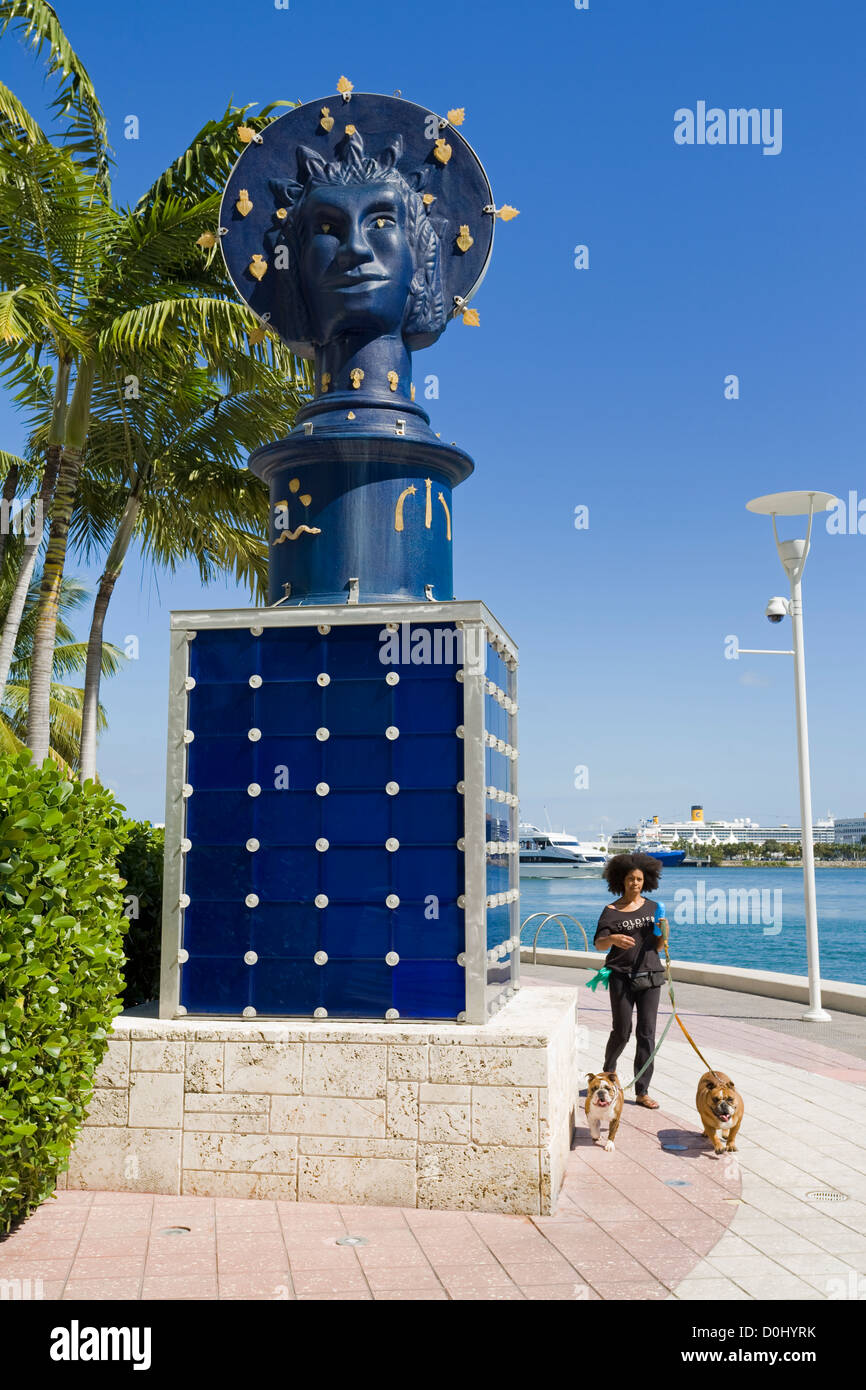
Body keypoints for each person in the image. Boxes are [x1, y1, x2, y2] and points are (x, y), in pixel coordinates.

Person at [594, 852, 668, 1108]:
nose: (634, 883)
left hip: (650, 976)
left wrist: (664, 932)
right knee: (622, 1032)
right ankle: (606, 1075)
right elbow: (598, 944)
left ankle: (642, 1090)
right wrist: (613, 939)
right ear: (621, 881)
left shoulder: (654, 907)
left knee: (646, 1034)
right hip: (620, 977)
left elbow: (658, 946)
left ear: (645, 880)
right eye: (630, 879)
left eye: (638, 879)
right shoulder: (611, 911)